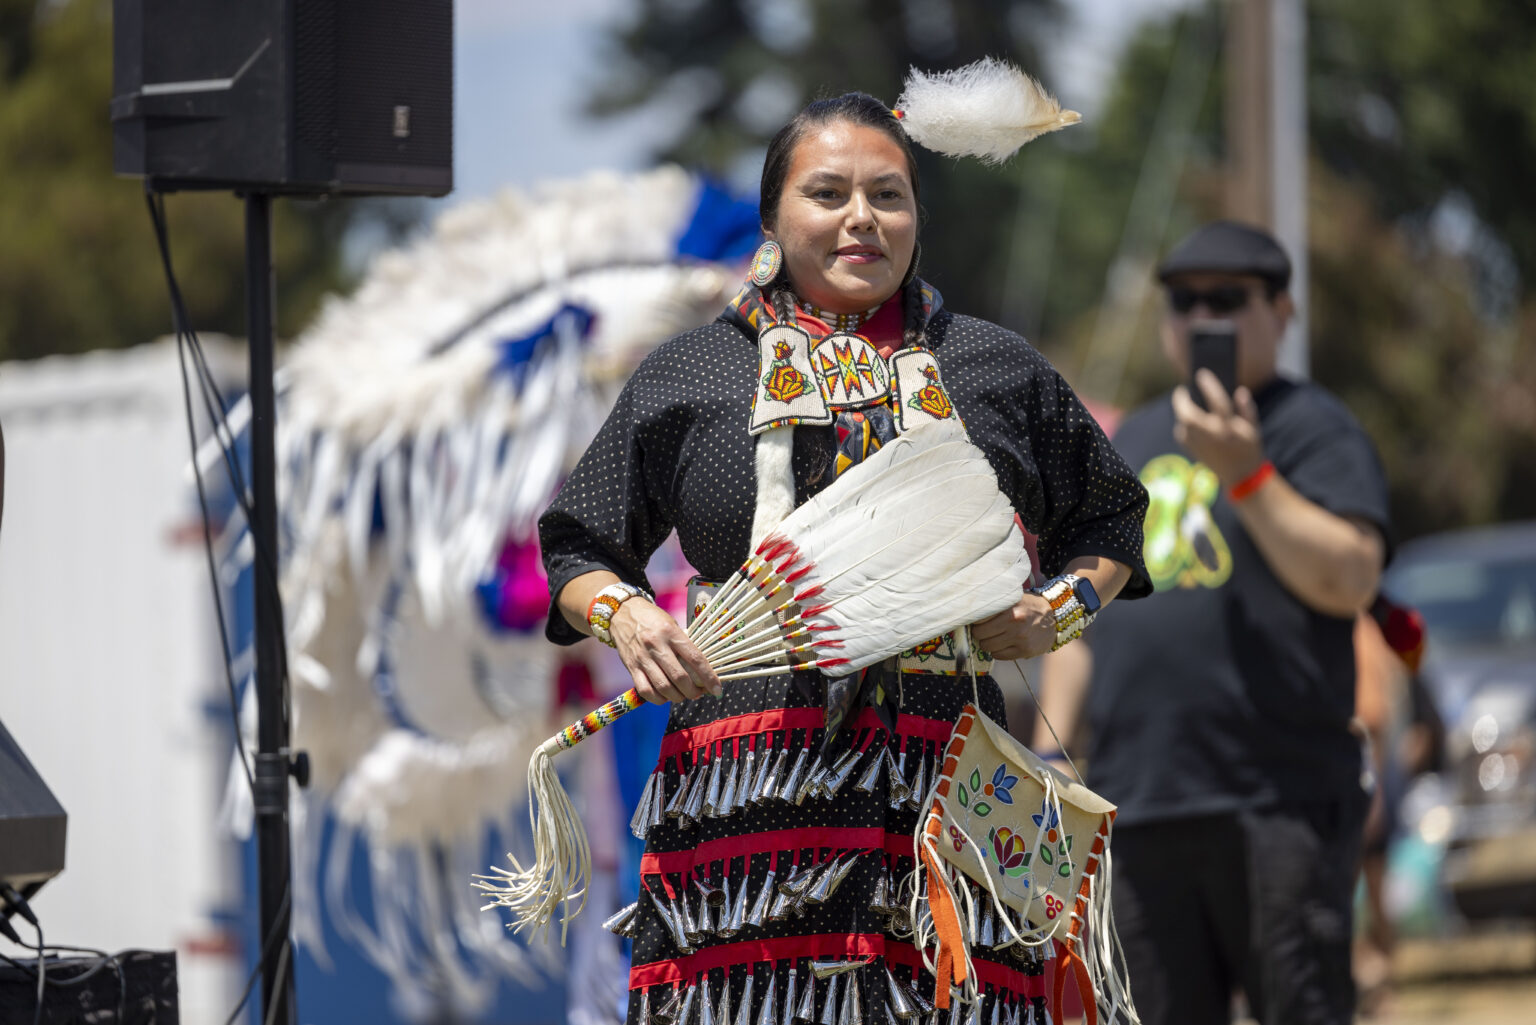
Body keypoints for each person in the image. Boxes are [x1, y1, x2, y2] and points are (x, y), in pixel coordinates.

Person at [538, 91, 1152, 1024]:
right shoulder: (694, 374)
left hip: (947, 788)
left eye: (889, 195)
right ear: (775, 219)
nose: (862, 217)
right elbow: (578, 541)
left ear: (917, 218)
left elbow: (1111, 518)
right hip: (747, 791)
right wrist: (627, 616)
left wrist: (1054, 611)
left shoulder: (991, 368)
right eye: (828, 193)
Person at [1036, 221, 1391, 1025]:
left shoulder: (1310, 426)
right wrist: (1057, 754)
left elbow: (1352, 577)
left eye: (1227, 300)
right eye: (1184, 299)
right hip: (1140, 798)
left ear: (1283, 309)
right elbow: (1092, 605)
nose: (1202, 318)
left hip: (1277, 797)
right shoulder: (1136, 433)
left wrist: (1250, 474)